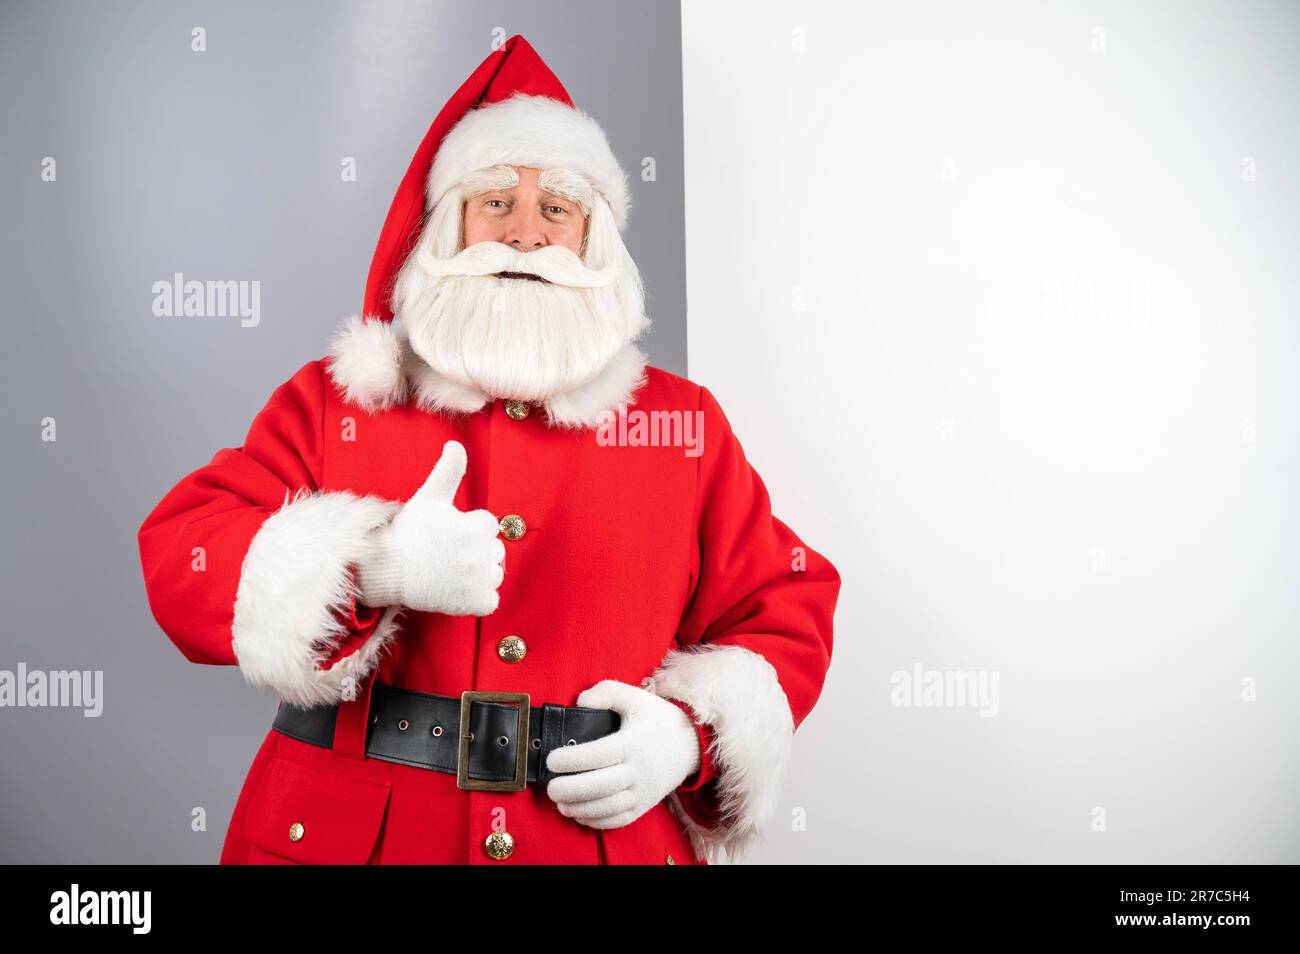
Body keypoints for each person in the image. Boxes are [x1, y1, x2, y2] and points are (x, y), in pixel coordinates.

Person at [136, 34, 840, 865]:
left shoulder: (681, 426)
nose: (526, 235)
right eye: (496, 203)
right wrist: (371, 566)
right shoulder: (341, 399)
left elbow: (786, 604)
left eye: (557, 208)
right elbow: (182, 552)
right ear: (448, 228)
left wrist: (688, 740)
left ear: (592, 243)